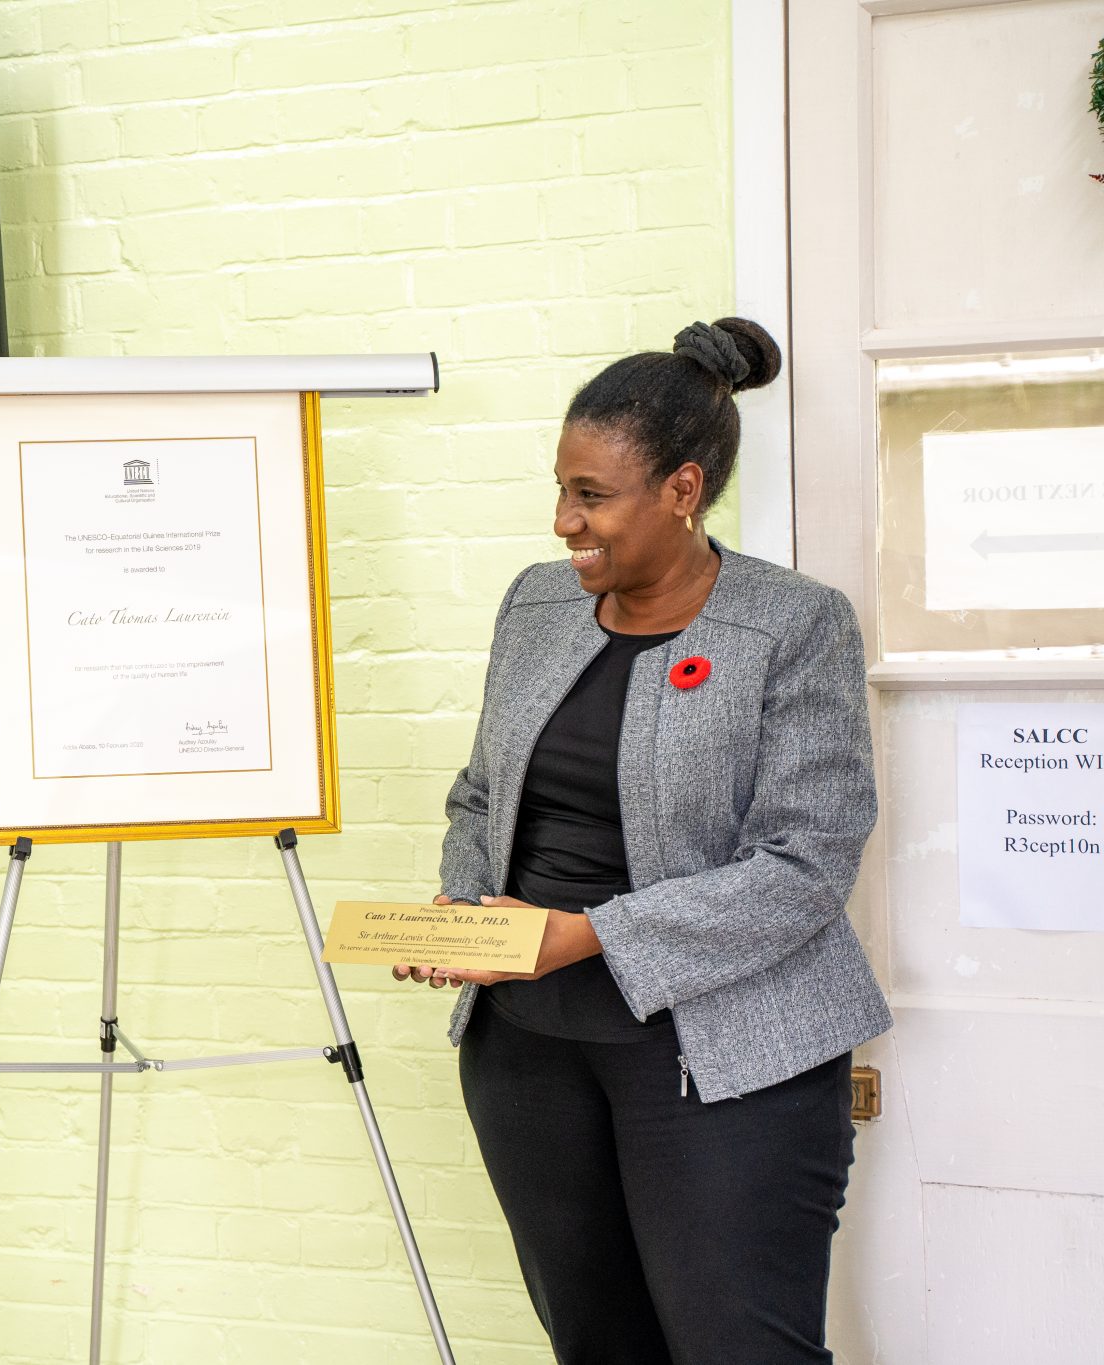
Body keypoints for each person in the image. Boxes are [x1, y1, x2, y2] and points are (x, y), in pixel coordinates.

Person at [398, 318, 890, 1364]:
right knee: (594, 1341)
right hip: (525, 1052)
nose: (563, 519)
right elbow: (481, 795)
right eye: (561, 488)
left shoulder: (792, 625)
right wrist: (463, 911)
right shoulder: (537, 604)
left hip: (722, 1058)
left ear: (680, 489)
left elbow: (804, 864)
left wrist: (584, 935)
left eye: (591, 494)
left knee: (737, 1347)